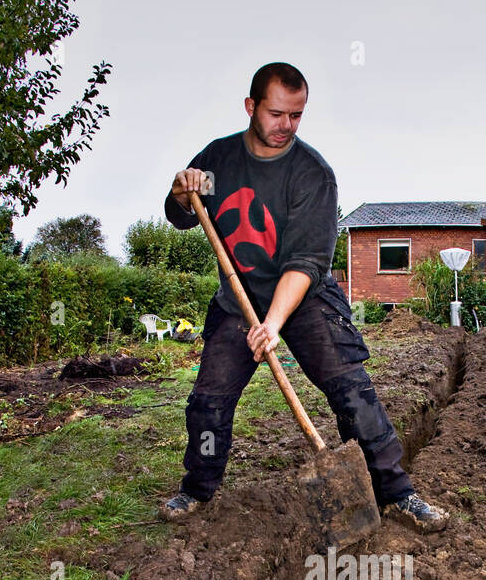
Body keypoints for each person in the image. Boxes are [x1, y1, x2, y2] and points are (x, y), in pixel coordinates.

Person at [160, 61, 448, 533]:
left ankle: (398, 493)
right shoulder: (219, 160)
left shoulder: (312, 174)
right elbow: (185, 215)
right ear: (251, 106)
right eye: (276, 114)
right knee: (208, 403)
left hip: (305, 299)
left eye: (296, 115)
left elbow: (305, 263)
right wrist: (179, 193)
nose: (285, 126)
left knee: (352, 392)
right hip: (238, 302)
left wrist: (272, 324)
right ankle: (197, 489)